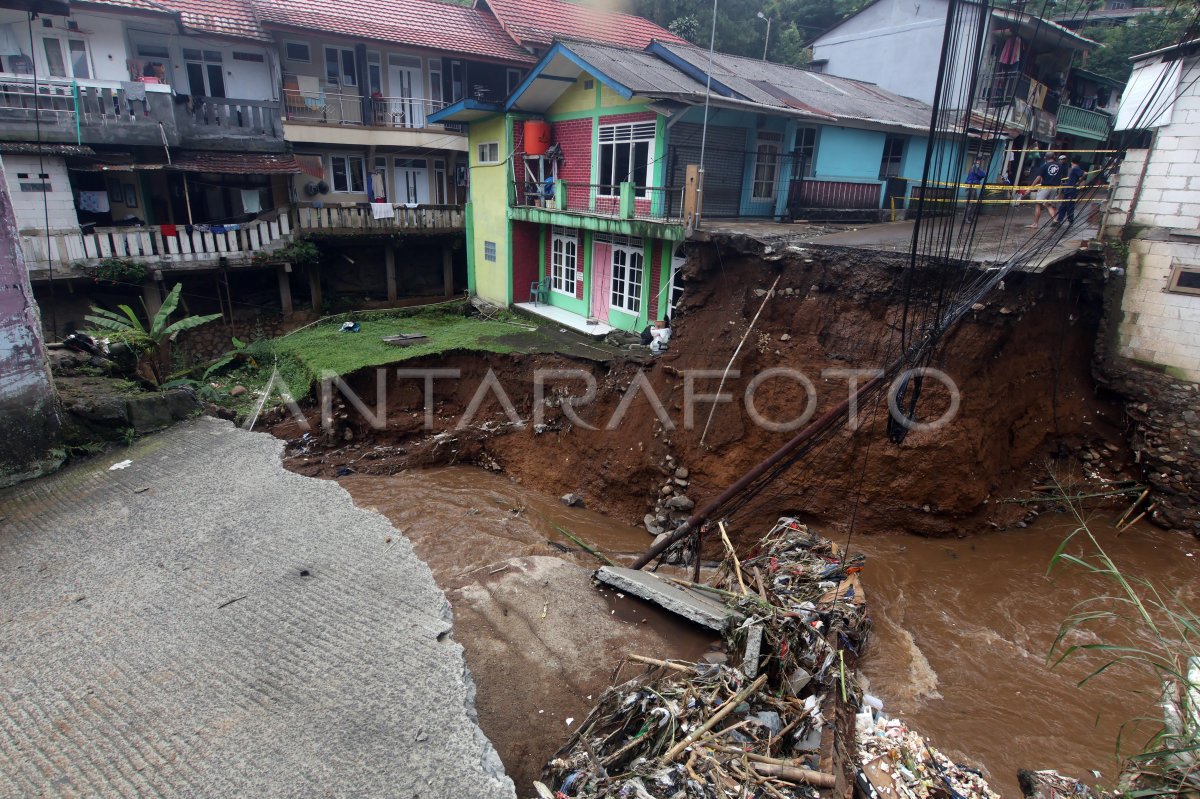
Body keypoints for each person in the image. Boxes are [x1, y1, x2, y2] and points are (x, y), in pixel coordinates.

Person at [1027, 153, 1065, 228]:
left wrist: (1031, 187)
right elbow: (1060, 177)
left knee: (1038, 204)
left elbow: (1038, 177)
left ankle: (1035, 224)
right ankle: (1055, 220)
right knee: (1049, 204)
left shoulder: (1044, 166)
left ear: (1045, 158)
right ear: (1054, 157)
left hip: (1045, 187)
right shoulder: (1060, 166)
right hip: (1054, 188)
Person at [1057, 156, 1085, 226]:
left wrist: (1078, 182)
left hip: (1071, 191)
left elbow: (1084, 174)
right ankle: (1059, 220)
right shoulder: (1075, 169)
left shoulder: (1075, 169)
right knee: (1063, 206)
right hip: (1069, 190)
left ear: (1072, 162)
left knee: (1069, 206)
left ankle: (1070, 220)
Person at [964, 157, 987, 222]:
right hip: (971, 186)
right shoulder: (974, 167)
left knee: (973, 203)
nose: (979, 162)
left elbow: (982, 174)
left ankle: (969, 217)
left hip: (974, 186)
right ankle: (966, 218)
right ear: (975, 161)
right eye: (978, 161)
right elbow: (982, 174)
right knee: (970, 203)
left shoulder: (977, 168)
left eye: (980, 161)